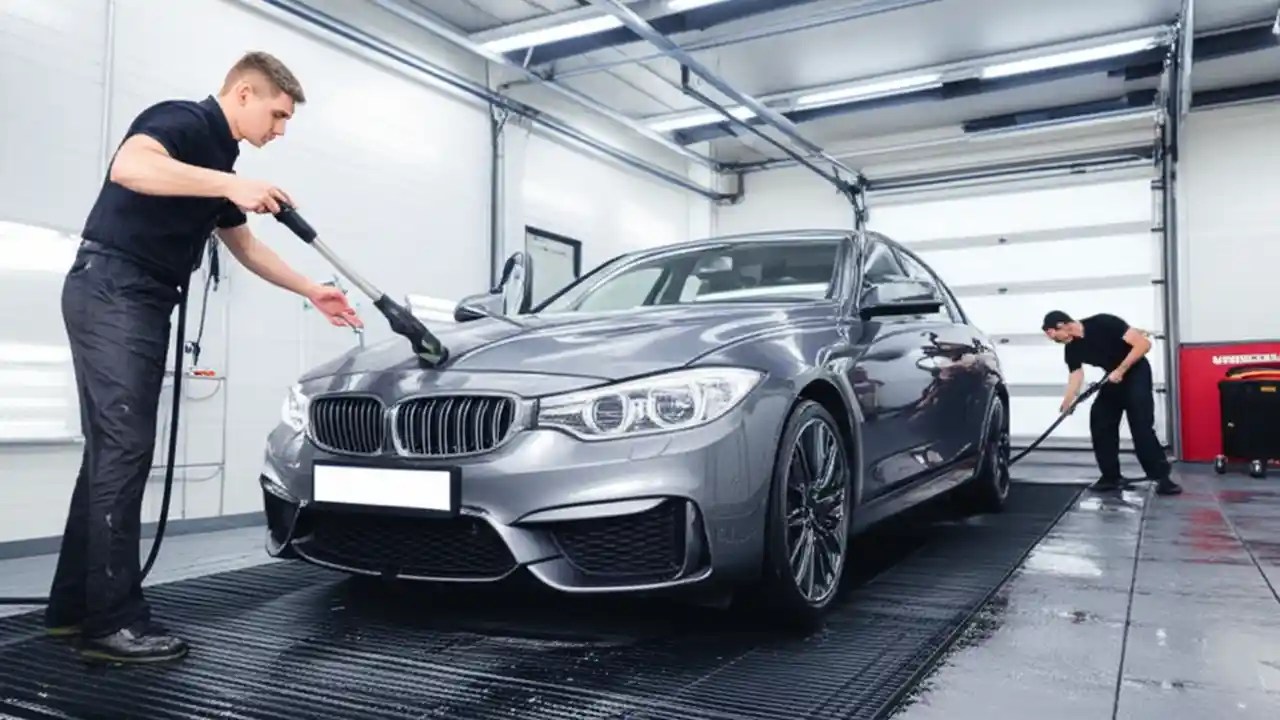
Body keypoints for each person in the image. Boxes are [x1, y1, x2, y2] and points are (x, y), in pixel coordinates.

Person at [43, 51, 363, 664]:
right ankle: (112, 624)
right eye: (278, 113)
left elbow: (243, 245)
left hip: (135, 295)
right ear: (244, 92)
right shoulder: (184, 121)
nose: (281, 129)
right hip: (114, 286)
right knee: (126, 449)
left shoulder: (220, 159)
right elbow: (130, 166)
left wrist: (309, 289)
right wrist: (227, 183)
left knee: (110, 452)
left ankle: (71, 610)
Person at [1042, 310, 1181, 496]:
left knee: (1141, 426)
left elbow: (1143, 344)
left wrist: (1121, 369)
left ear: (1062, 325)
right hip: (1114, 376)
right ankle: (1111, 477)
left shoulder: (1103, 322)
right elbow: (1076, 374)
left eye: (1055, 336)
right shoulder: (1072, 348)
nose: (1055, 341)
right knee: (1100, 419)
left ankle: (1162, 478)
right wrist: (1069, 401)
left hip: (1135, 371)